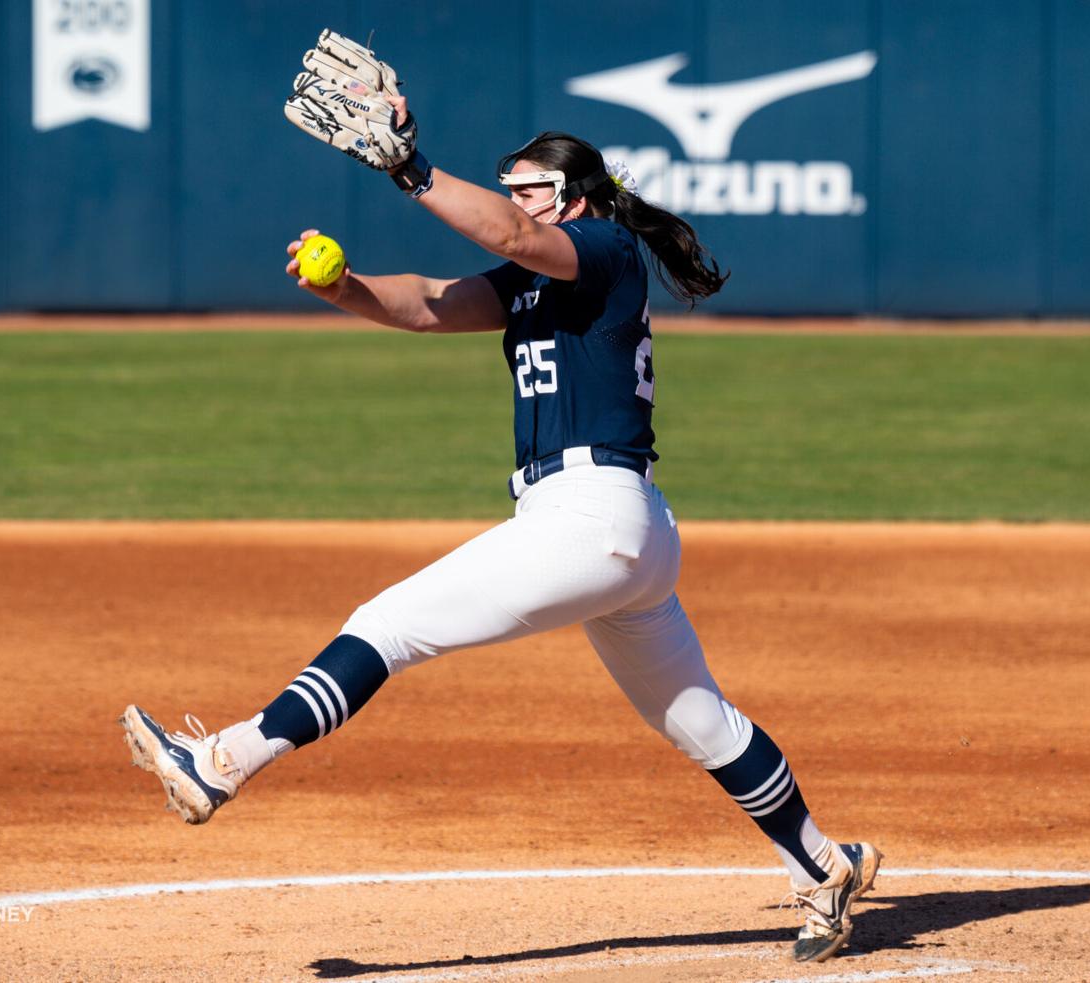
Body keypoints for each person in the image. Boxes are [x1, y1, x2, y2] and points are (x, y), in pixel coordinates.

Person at [121, 30, 879, 965]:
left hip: (591, 517)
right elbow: (433, 298)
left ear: (579, 198)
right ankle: (823, 863)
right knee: (701, 722)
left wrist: (410, 169)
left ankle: (224, 761)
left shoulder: (600, 249)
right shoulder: (530, 282)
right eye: (513, 186)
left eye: (531, 187)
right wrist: (345, 285)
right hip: (622, 532)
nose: (518, 203)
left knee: (388, 625)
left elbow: (517, 236)